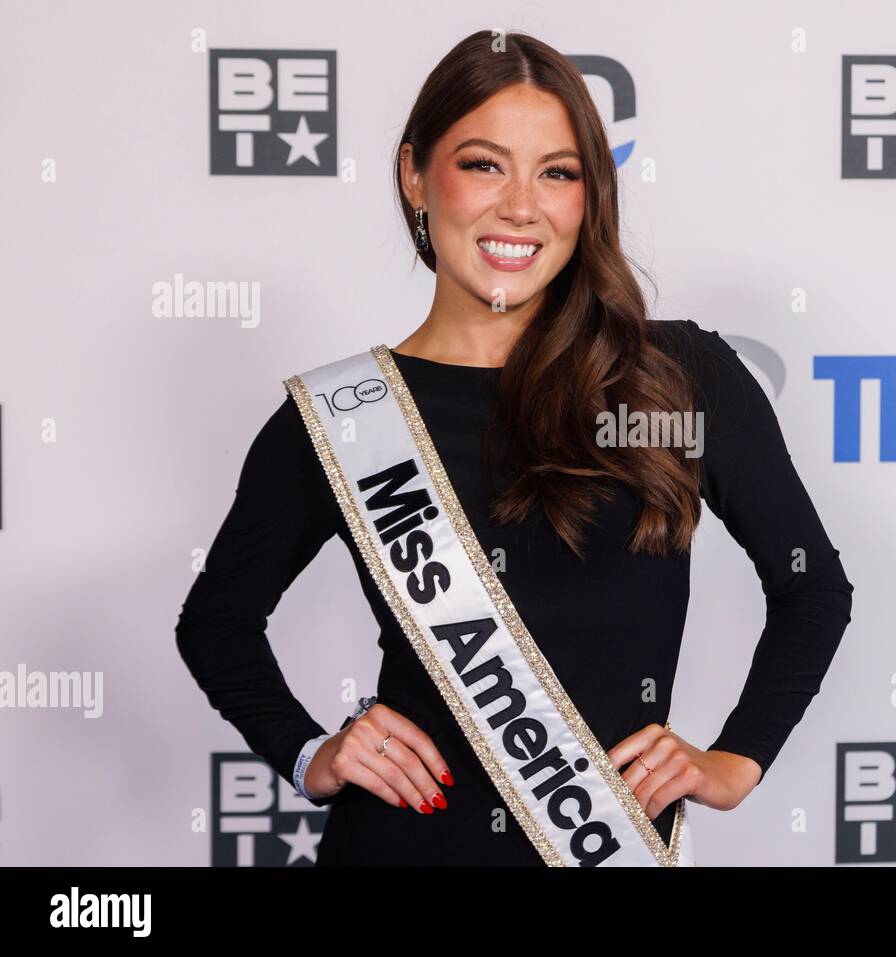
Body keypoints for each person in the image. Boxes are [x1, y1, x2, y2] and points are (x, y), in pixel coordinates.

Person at [175, 29, 853, 866]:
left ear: (589, 196)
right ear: (415, 175)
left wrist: (736, 761)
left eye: (557, 172)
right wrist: (310, 750)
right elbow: (217, 622)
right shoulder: (344, 416)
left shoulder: (675, 377)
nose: (521, 206)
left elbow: (811, 587)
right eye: (484, 164)